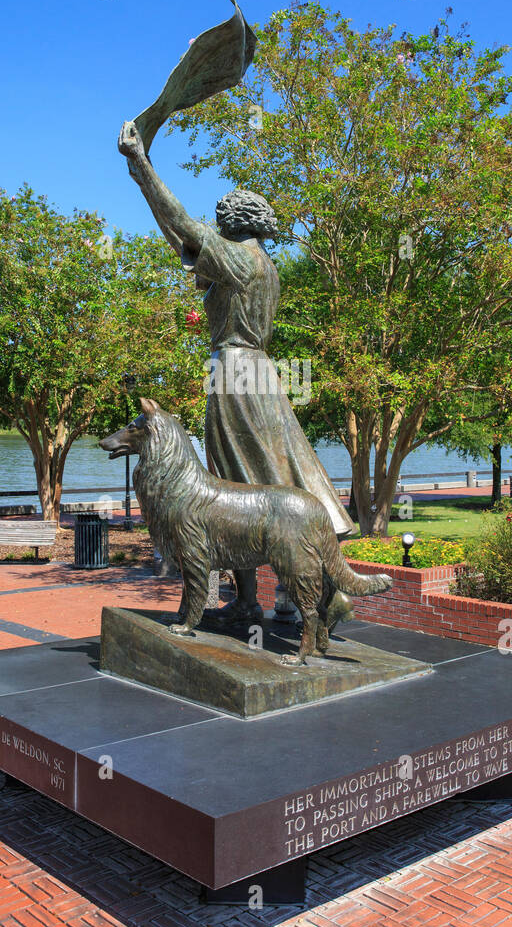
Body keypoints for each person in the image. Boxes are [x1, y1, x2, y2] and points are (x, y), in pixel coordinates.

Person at [118, 119, 352, 623]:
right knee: (244, 475)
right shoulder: (262, 263)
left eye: (219, 220)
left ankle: (329, 591)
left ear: (231, 223)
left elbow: (181, 223)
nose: (214, 227)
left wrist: (141, 167)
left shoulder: (242, 261)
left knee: (245, 479)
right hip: (256, 372)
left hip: (235, 374)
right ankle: (248, 599)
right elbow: (183, 239)